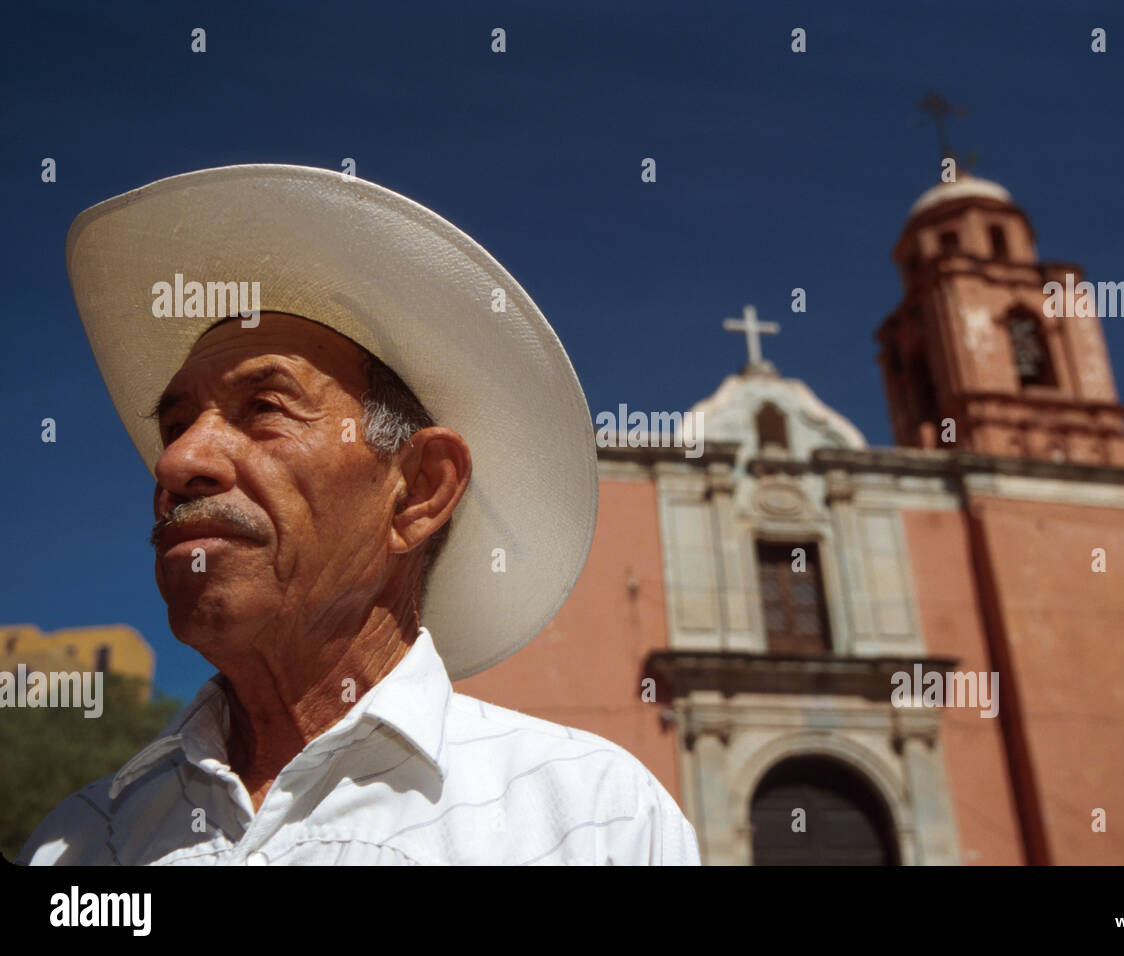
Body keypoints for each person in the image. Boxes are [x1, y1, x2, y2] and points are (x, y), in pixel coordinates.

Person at [19, 165, 700, 865]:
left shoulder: (593, 821)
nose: (175, 462)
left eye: (265, 408)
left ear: (419, 492)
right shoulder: (76, 845)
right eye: (176, 425)